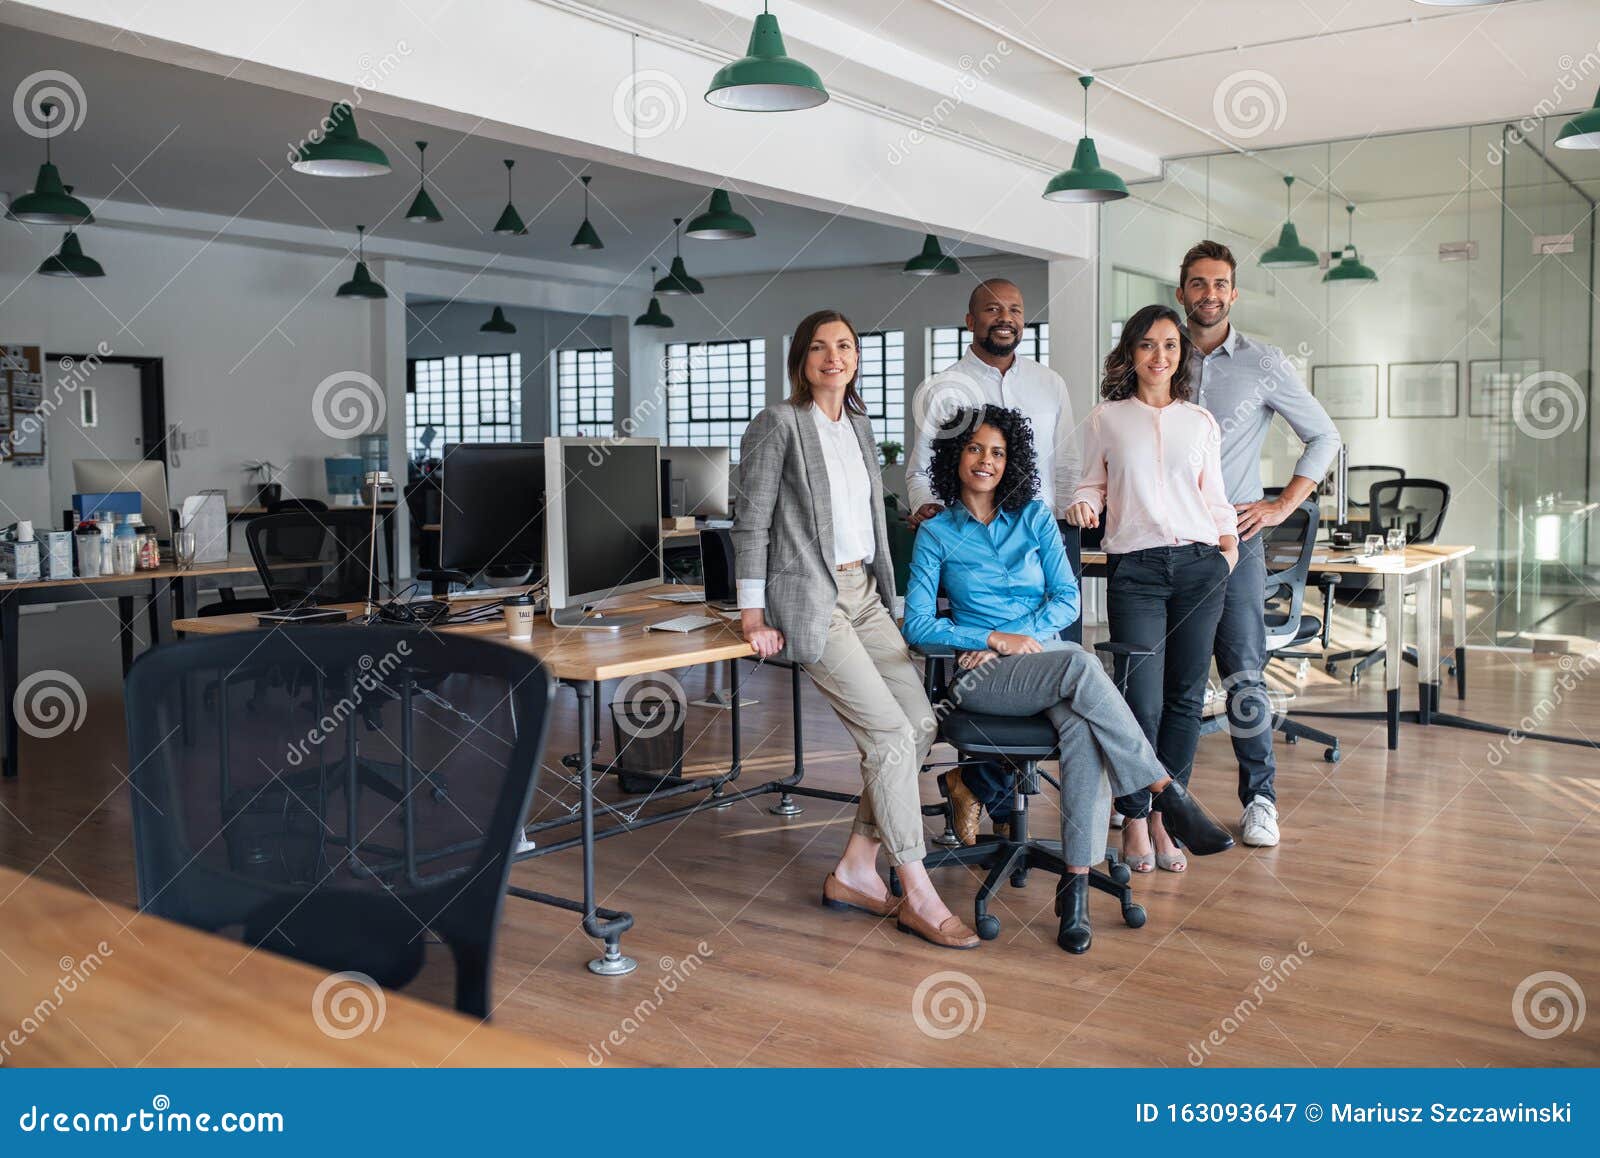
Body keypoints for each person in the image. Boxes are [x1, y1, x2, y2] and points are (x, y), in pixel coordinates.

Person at [903, 404, 1234, 953]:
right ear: (953, 455)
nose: (986, 461)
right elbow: (918, 624)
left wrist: (1013, 635)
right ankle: (1163, 790)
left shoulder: (1033, 517)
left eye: (998, 452)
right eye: (975, 449)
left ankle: (1074, 888)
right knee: (1082, 665)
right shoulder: (936, 531)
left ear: (1013, 463)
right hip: (981, 679)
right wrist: (987, 642)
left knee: (1084, 726)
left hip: (1047, 663)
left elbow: (1066, 600)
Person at [734, 308, 978, 950]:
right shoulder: (779, 423)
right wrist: (752, 612)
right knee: (890, 734)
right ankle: (916, 889)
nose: (833, 357)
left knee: (921, 723)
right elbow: (752, 520)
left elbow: (872, 517)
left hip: (866, 594)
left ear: (857, 358)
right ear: (800, 360)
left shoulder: (862, 427)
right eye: (819, 347)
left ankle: (853, 869)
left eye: (844, 346)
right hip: (813, 600)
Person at [1175, 240, 1342, 848]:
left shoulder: (1263, 363)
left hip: (1235, 540)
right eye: (1198, 283)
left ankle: (1260, 799)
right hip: (1164, 542)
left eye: (1219, 284)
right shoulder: (1160, 356)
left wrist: (1280, 505)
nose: (1209, 294)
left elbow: (1324, 437)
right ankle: (1160, 801)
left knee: (1243, 671)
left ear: (1233, 293)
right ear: (1182, 291)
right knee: (1172, 676)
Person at [904, 277, 1081, 845]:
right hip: (969, 546)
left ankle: (976, 786)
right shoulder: (946, 388)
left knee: (1043, 673)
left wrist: (1072, 518)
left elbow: (1069, 464)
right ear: (970, 319)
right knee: (1008, 671)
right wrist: (935, 518)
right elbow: (919, 469)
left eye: (1015, 309)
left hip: (1039, 542)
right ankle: (1004, 807)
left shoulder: (1049, 383)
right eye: (991, 309)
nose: (1004, 317)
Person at [1066, 304, 1238, 875]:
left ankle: (1169, 821)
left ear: (1181, 354)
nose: (1159, 356)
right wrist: (1086, 502)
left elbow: (1214, 497)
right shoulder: (1107, 418)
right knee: (1139, 699)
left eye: (1170, 345)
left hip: (1199, 566)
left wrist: (1228, 550)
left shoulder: (1201, 422)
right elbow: (1091, 481)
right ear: (1130, 353)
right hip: (1136, 570)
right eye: (1147, 344)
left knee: (1186, 698)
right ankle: (1135, 820)